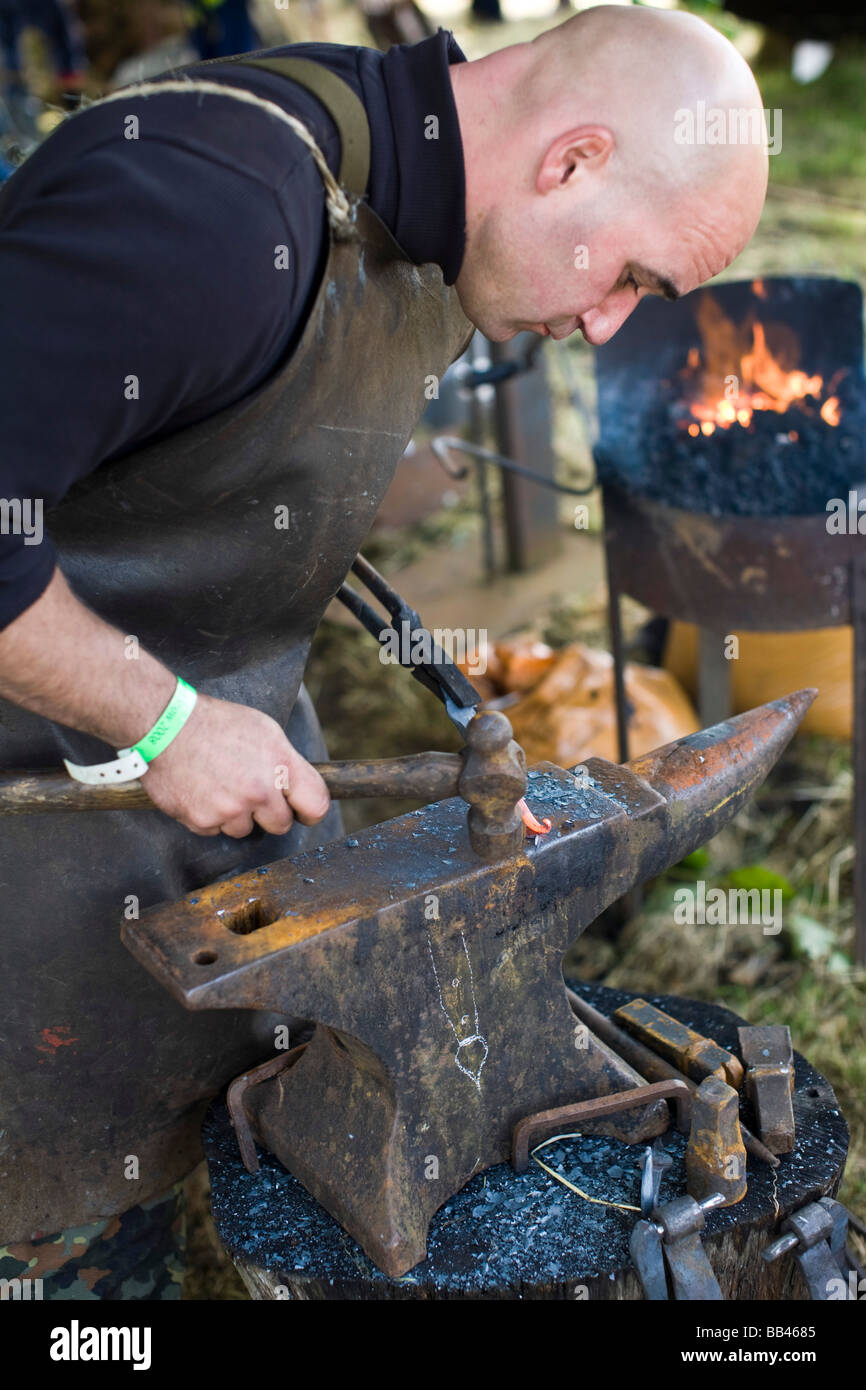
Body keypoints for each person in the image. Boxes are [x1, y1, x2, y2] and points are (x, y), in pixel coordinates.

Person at [0, 5, 768, 1298]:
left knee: (150, 1203)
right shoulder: (213, 209)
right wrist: (163, 722)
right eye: (632, 278)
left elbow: (189, 455)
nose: (603, 326)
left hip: (182, 840)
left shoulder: (417, 224)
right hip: (33, 860)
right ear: (570, 160)